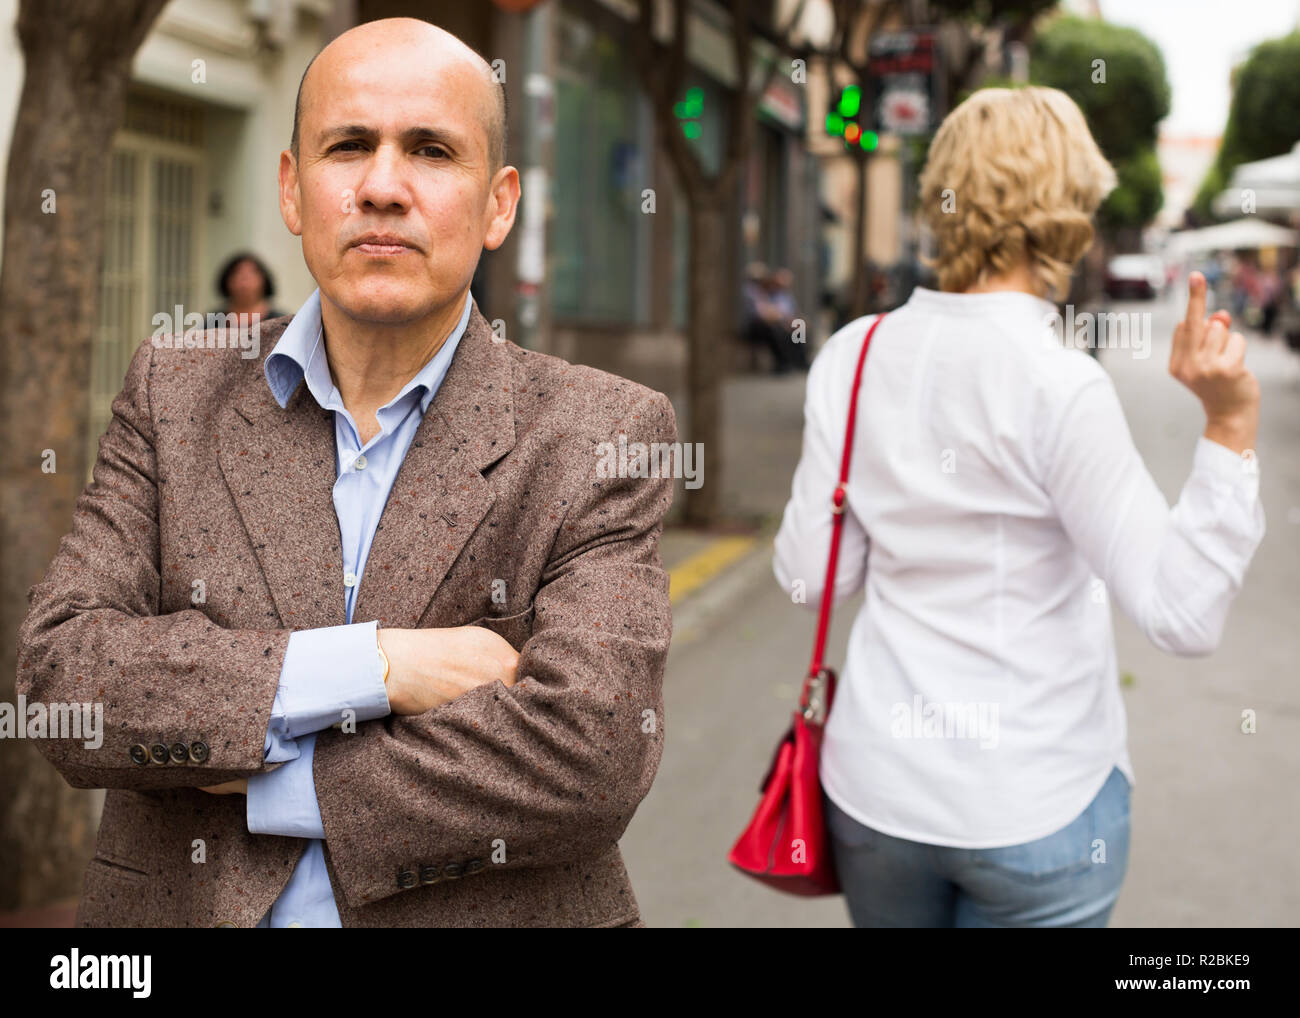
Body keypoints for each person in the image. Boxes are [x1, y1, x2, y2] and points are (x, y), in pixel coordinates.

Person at [17, 18, 676, 929]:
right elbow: (64, 679)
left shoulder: (601, 433)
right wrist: (379, 665)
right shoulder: (174, 390)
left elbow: (592, 755)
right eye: (349, 146)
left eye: (432, 151)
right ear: (293, 189)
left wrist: (260, 772)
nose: (382, 187)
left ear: (498, 205)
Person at [773, 86, 1264, 928]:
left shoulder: (854, 354)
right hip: (1037, 804)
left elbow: (813, 577)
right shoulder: (1060, 382)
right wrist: (1228, 425)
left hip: (877, 795)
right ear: (1067, 209)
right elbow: (1182, 613)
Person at [207, 251, 288, 327]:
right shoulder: (213, 322)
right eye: (238, 274)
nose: (245, 282)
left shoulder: (282, 322)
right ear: (227, 281)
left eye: (251, 274)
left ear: (264, 281)